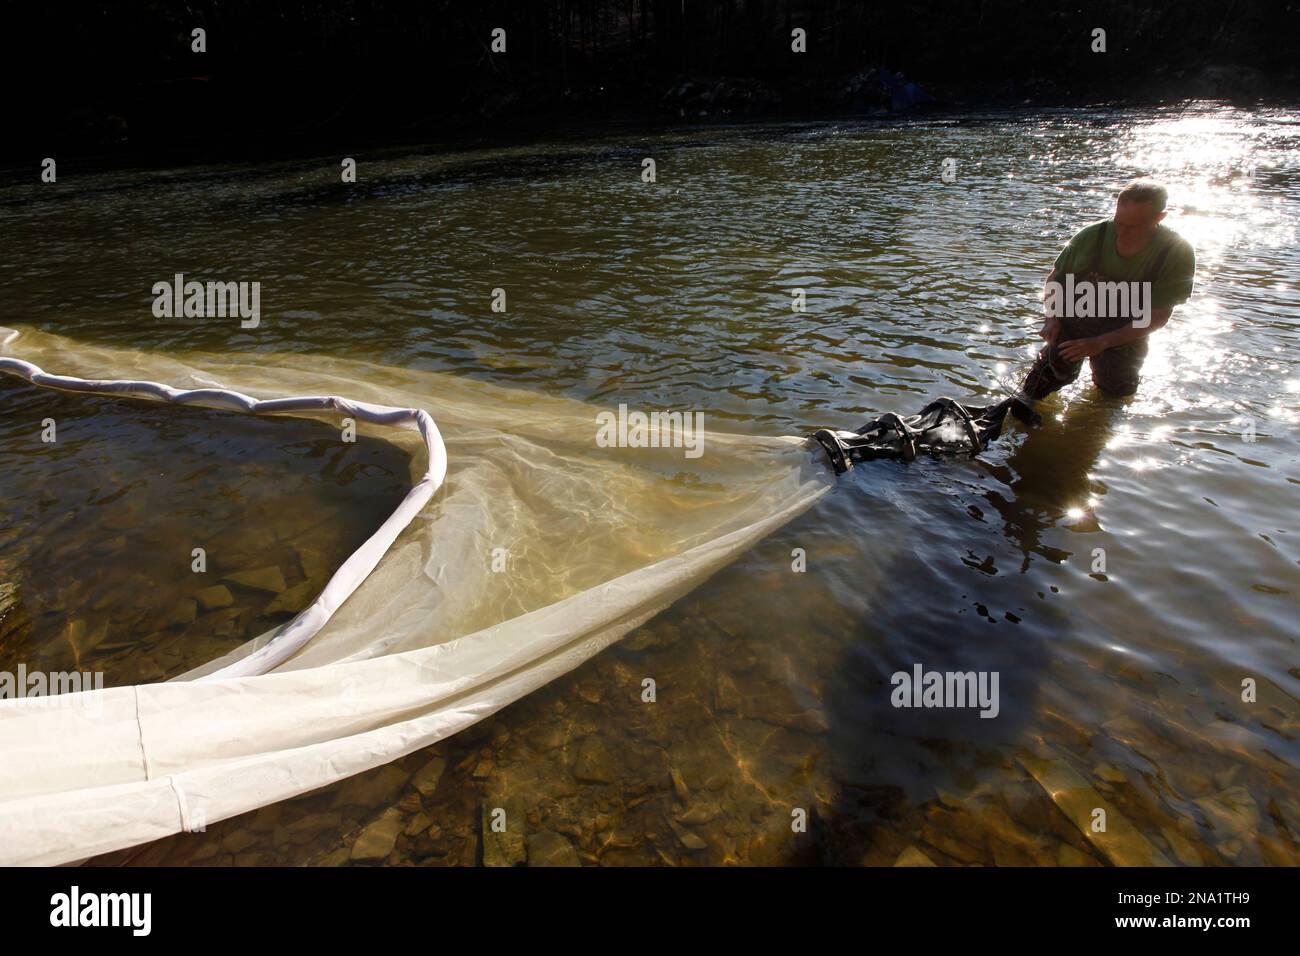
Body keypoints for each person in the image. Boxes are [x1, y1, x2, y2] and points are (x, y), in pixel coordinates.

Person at [1018, 180, 1196, 406]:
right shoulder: (1092, 235)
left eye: (1134, 226)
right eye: (1119, 222)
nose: (1122, 232)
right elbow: (1055, 279)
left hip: (1126, 329)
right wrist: (1052, 318)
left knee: (1115, 395)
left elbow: (1159, 316)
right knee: (1041, 382)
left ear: (1159, 218)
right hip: (1076, 319)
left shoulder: (1176, 251)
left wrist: (1101, 342)